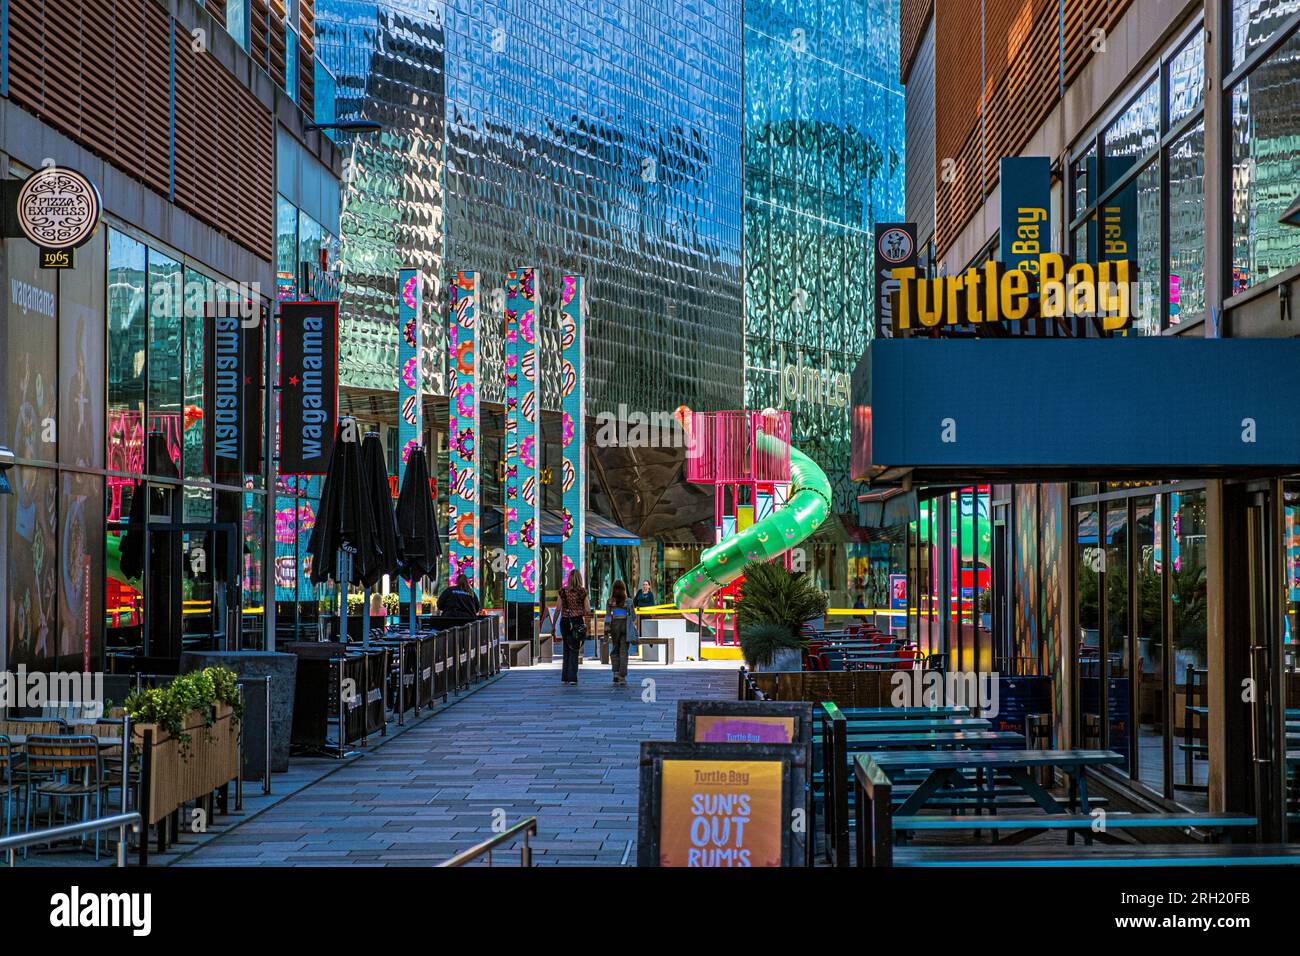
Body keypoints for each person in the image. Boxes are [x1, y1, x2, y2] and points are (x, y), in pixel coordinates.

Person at [552, 572, 591, 685]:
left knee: (566, 648)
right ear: (579, 579)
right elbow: (587, 609)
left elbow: (558, 609)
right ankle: (572, 677)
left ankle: (565, 677)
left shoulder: (563, 591)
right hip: (577, 622)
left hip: (565, 622)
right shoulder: (582, 592)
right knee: (574, 649)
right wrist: (581, 612)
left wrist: (553, 625)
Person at [606, 580, 634, 685]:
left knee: (615, 649)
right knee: (624, 651)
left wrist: (606, 630)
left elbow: (608, 617)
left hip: (614, 627)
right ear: (624, 589)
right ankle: (622, 675)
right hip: (626, 626)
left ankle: (615, 673)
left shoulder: (609, 601)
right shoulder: (629, 601)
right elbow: (633, 616)